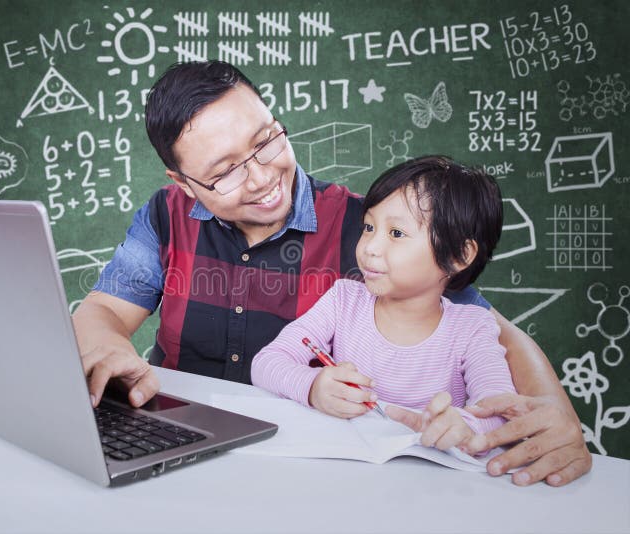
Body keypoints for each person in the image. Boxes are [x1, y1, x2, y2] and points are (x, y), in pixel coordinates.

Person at [71, 60, 591, 486]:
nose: (260, 178)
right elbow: (101, 312)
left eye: (266, 141)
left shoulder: (367, 234)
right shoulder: (164, 215)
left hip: (310, 469)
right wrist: (107, 348)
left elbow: (488, 327)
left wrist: (555, 413)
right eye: (225, 171)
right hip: (172, 444)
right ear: (183, 183)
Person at [251, 156, 516, 454]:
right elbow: (267, 362)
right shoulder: (344, 300)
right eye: (368, 227)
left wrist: (465, 426)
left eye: (396, 234)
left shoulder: (472, 327)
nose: (370, 248)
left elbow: (500, 409)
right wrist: (313, 387)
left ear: (458, 256)